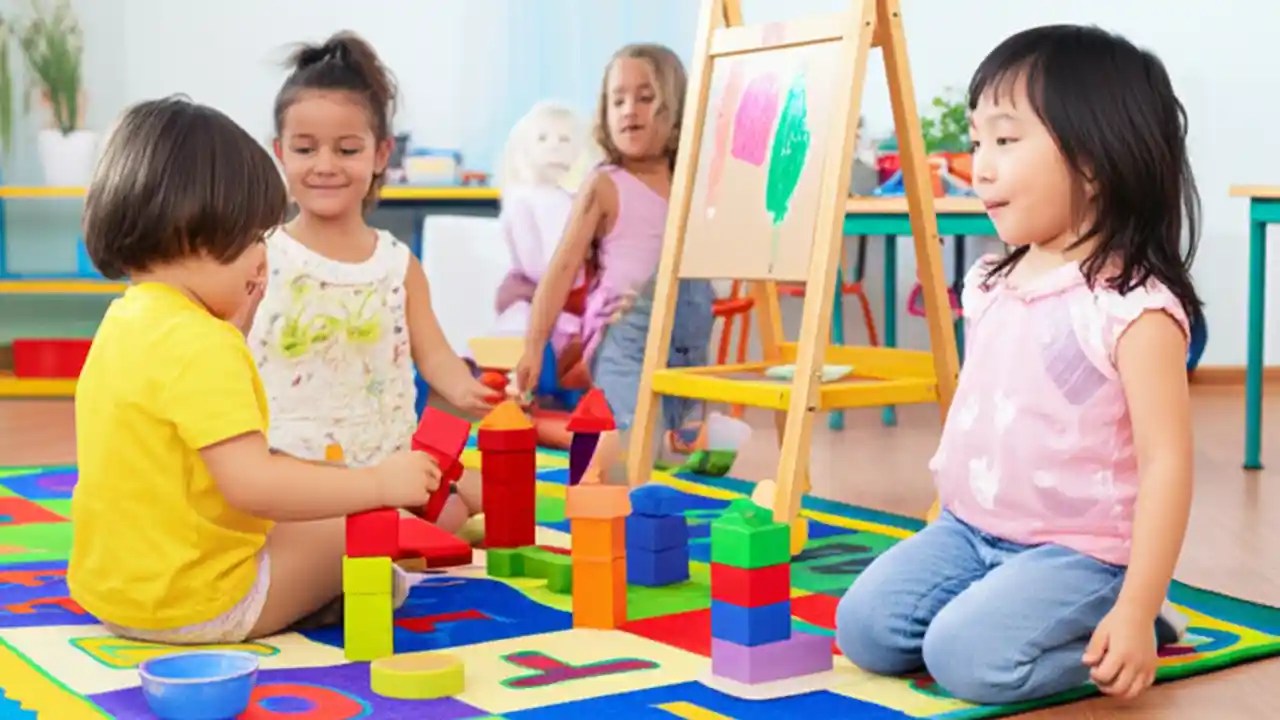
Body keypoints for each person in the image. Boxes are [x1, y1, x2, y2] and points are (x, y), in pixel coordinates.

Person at [835, 25, 1200, 704]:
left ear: (1093, 161)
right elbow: (985, 407)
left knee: (962, 660)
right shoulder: (993, 282)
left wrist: (1133, 603)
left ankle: (1141, 623)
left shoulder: (1133, 310)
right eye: (977, 142)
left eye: (1005, 140)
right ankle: (1019, 607)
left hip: (1082, 555)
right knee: (865, 630)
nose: (982, 165)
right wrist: (947, 504)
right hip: (970, 532)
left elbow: (1168, 464)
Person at [67, 96, 440, 644]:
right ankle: (315, 601)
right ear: (196, 235)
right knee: (356, 533)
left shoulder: (126, 320)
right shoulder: (201, 344)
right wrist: (378, 482)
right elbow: (254, 486)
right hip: (196, 605)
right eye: (250, 241)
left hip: (114, 595)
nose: (262, 261)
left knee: (301, 516)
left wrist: (234, 329)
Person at [249, 32, 494, 532]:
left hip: (388, 462)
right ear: (280, 152)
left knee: (466, 501)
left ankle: (423, 512)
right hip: (294, 472)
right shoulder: (260, 255)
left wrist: (474, 393)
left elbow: (435, 355)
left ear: (381, 154)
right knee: (424, 524)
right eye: (304, 148)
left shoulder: (396, 263)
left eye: (346, 149)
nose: (324, 165)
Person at [514, 43, 714, 451]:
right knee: (630, 449)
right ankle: (554, 432)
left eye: (645, 98)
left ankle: (593, 437)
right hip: (625, 340)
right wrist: (533, 347)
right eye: (617, 99)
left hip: (688, 342)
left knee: (678, 455)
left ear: (676, 110)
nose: (629, 110)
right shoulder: (605, 184)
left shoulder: (692, 181)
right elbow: (561, 268)